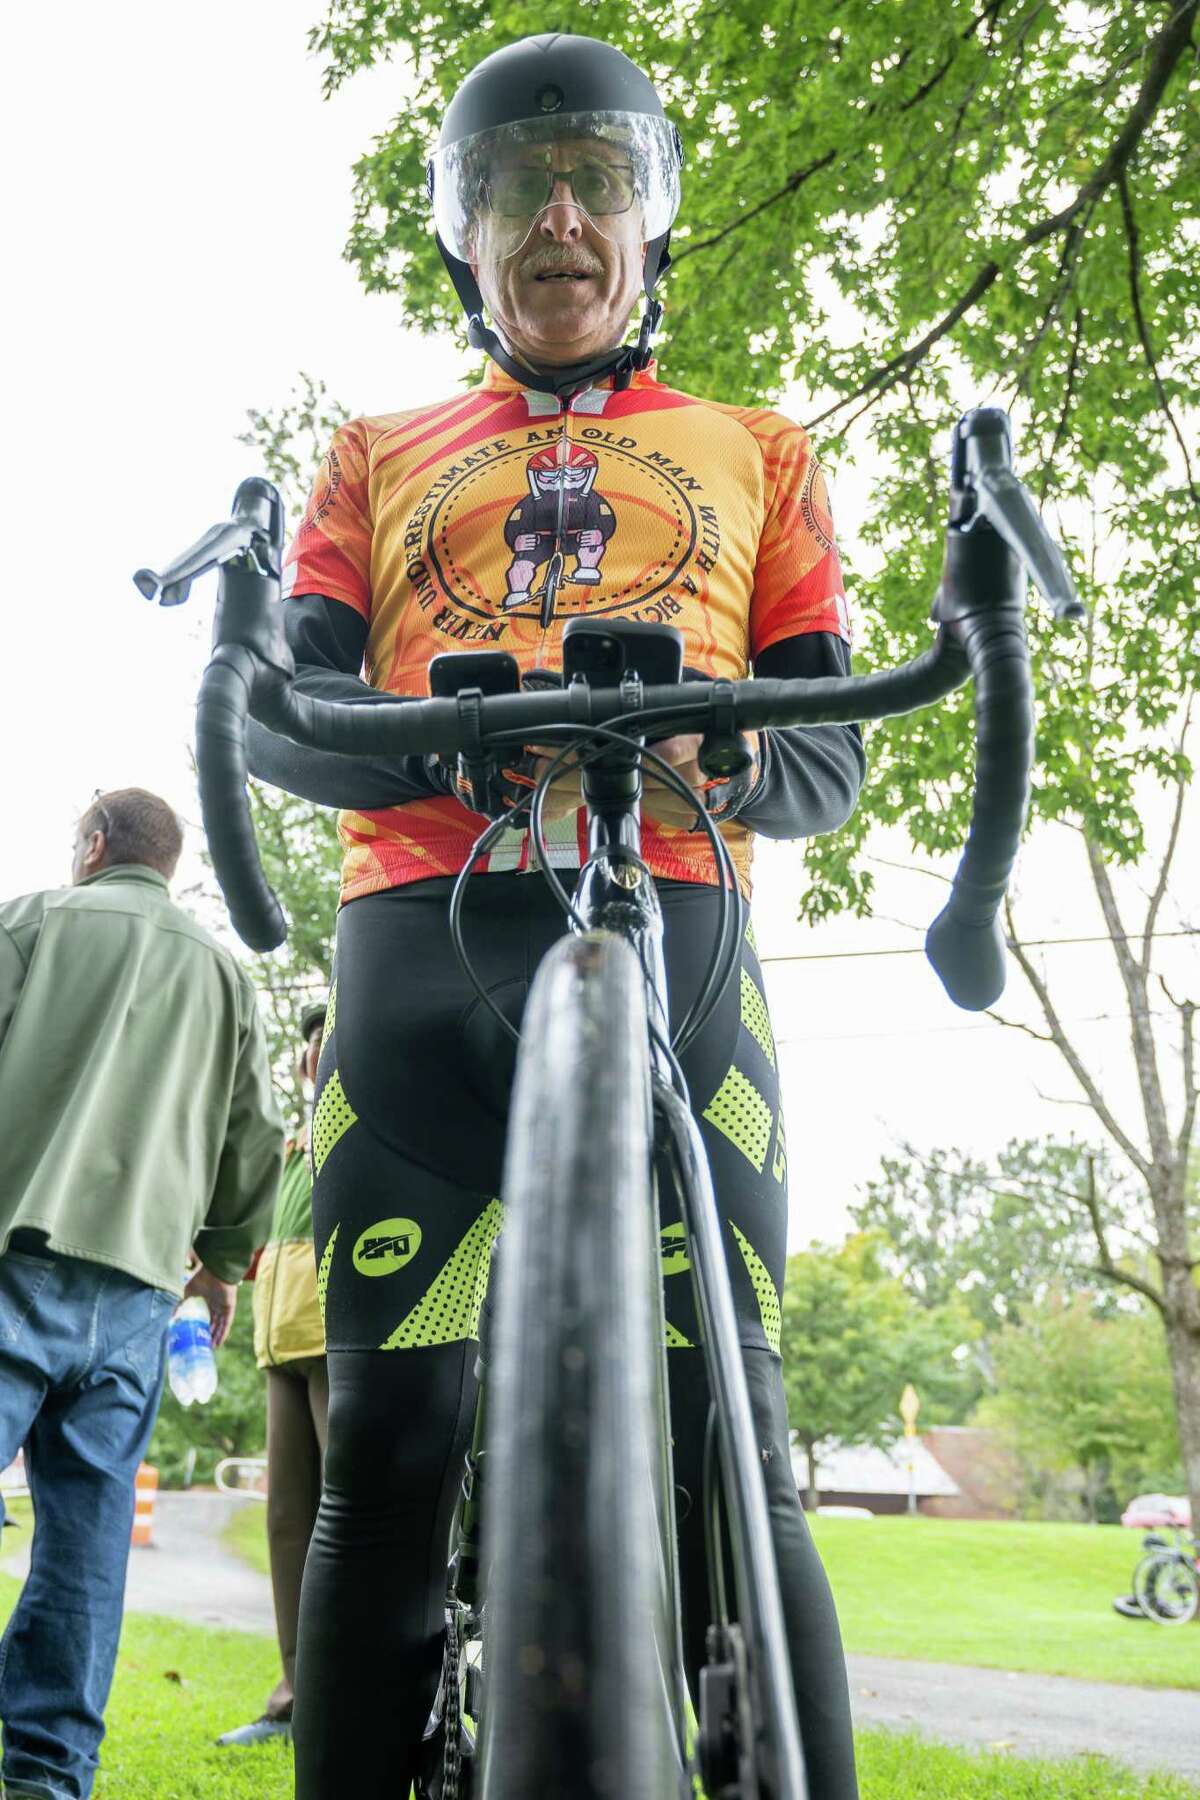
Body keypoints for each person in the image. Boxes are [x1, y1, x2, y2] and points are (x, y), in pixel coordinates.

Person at [247, 33, 865, 1799]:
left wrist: (721, 757)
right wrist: (365, 723)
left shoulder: (763, 446)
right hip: (420, 950)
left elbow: (824, 763)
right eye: (520, 189)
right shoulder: (371, 452)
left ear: (650, 222)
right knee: (389, 1442)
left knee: (728, 1433)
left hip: (680, 931)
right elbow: (295, 711)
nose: (562, 218)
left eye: (600, 180)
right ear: (470, 234)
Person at [0, 788, 282, 1800]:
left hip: (12, 1260)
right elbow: (256, 1138)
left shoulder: (29, 922)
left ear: (94, 846)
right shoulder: (225, 973)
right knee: (85, 1546)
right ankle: (48, 1775)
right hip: (136, 1300)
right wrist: (221, 1263)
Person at [218, 1001, 328, 1748]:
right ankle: (291, 1700)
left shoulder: (375, 1128)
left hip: (341, 1341)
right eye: (309, 1047)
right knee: (287, 1520)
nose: (314, 1057)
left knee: (352, 1523)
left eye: (330, 1043)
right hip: (280, 1342)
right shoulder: (291, 1148)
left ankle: (357, 1699)